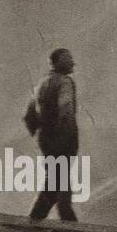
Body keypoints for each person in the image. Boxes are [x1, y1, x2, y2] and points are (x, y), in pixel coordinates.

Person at [25, 47, 79, 221]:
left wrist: (41, 134)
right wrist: (67, 139)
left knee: (55, 183)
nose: (73, 62)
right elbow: (65, 110)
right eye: (68, 58)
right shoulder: (65, 82)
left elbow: (29, 116)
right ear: (58, 62)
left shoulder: (42, 83)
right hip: (62, 138)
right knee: (59, 182)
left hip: (46, 139)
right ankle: (69, 227)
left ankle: (35, 221)